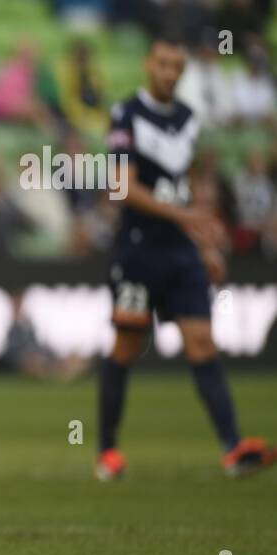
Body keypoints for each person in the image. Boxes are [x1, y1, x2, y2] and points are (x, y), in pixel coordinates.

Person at [96, 37, 274, 481]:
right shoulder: (125, 116)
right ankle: (107, 451)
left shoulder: (190, 120)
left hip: (179, 251)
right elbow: (122, 187)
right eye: (162, 64)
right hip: (138, 248)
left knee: (202, 343)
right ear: (147, 64)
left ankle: (233, 449)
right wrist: (184, 215)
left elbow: (186, 183)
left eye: (177, 66)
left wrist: (204, 243)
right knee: (127, 346)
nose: (169, 73)